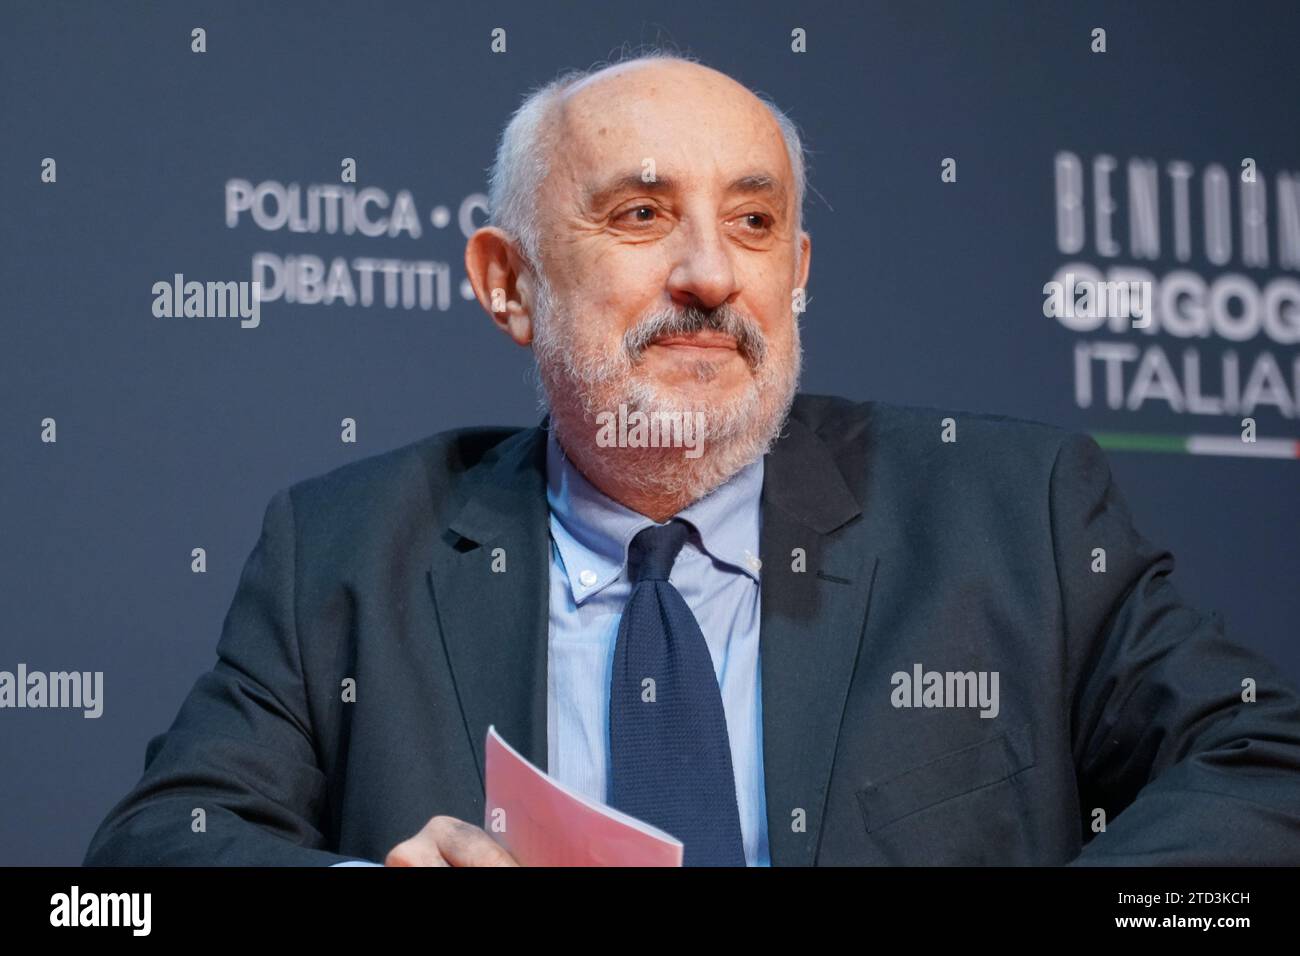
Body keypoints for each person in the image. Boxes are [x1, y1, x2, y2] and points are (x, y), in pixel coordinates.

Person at [84, 50, 1300, 867]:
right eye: (640, 214)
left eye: (755, 223)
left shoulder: (1010, 512)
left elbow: (1261, 757)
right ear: (510, 284)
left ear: (799, 273)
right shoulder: (348, 550)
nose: (712, 275)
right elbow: (151, 854)